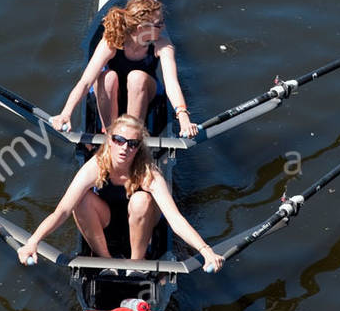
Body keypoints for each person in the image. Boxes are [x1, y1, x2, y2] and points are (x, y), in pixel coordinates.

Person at [17, 115, 223, 270]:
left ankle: (136, 264)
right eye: (118, 140)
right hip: (105, 221)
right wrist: (33, 242)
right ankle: (106, 262)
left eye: (132, 144)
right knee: (80, 201)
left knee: (142, 199)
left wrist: (205, 250)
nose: (125, 148)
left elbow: (175, 219)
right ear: (108, 139)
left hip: (141, 225)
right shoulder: (94, 167)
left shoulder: (147, 172)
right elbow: (61, 211)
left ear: (138, 148)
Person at [50, 0, 198, 138]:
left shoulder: (162, 45)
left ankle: (132, 136)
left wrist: (183, 116)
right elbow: (86, 82)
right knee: (107, 77)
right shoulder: (111, 41)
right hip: (111, 91)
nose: (163, 27)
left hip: (145, 92)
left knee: (136, 77)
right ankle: (110, 134)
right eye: (159, 24)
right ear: (142, 28)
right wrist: (66, 113)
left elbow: (172, 83)